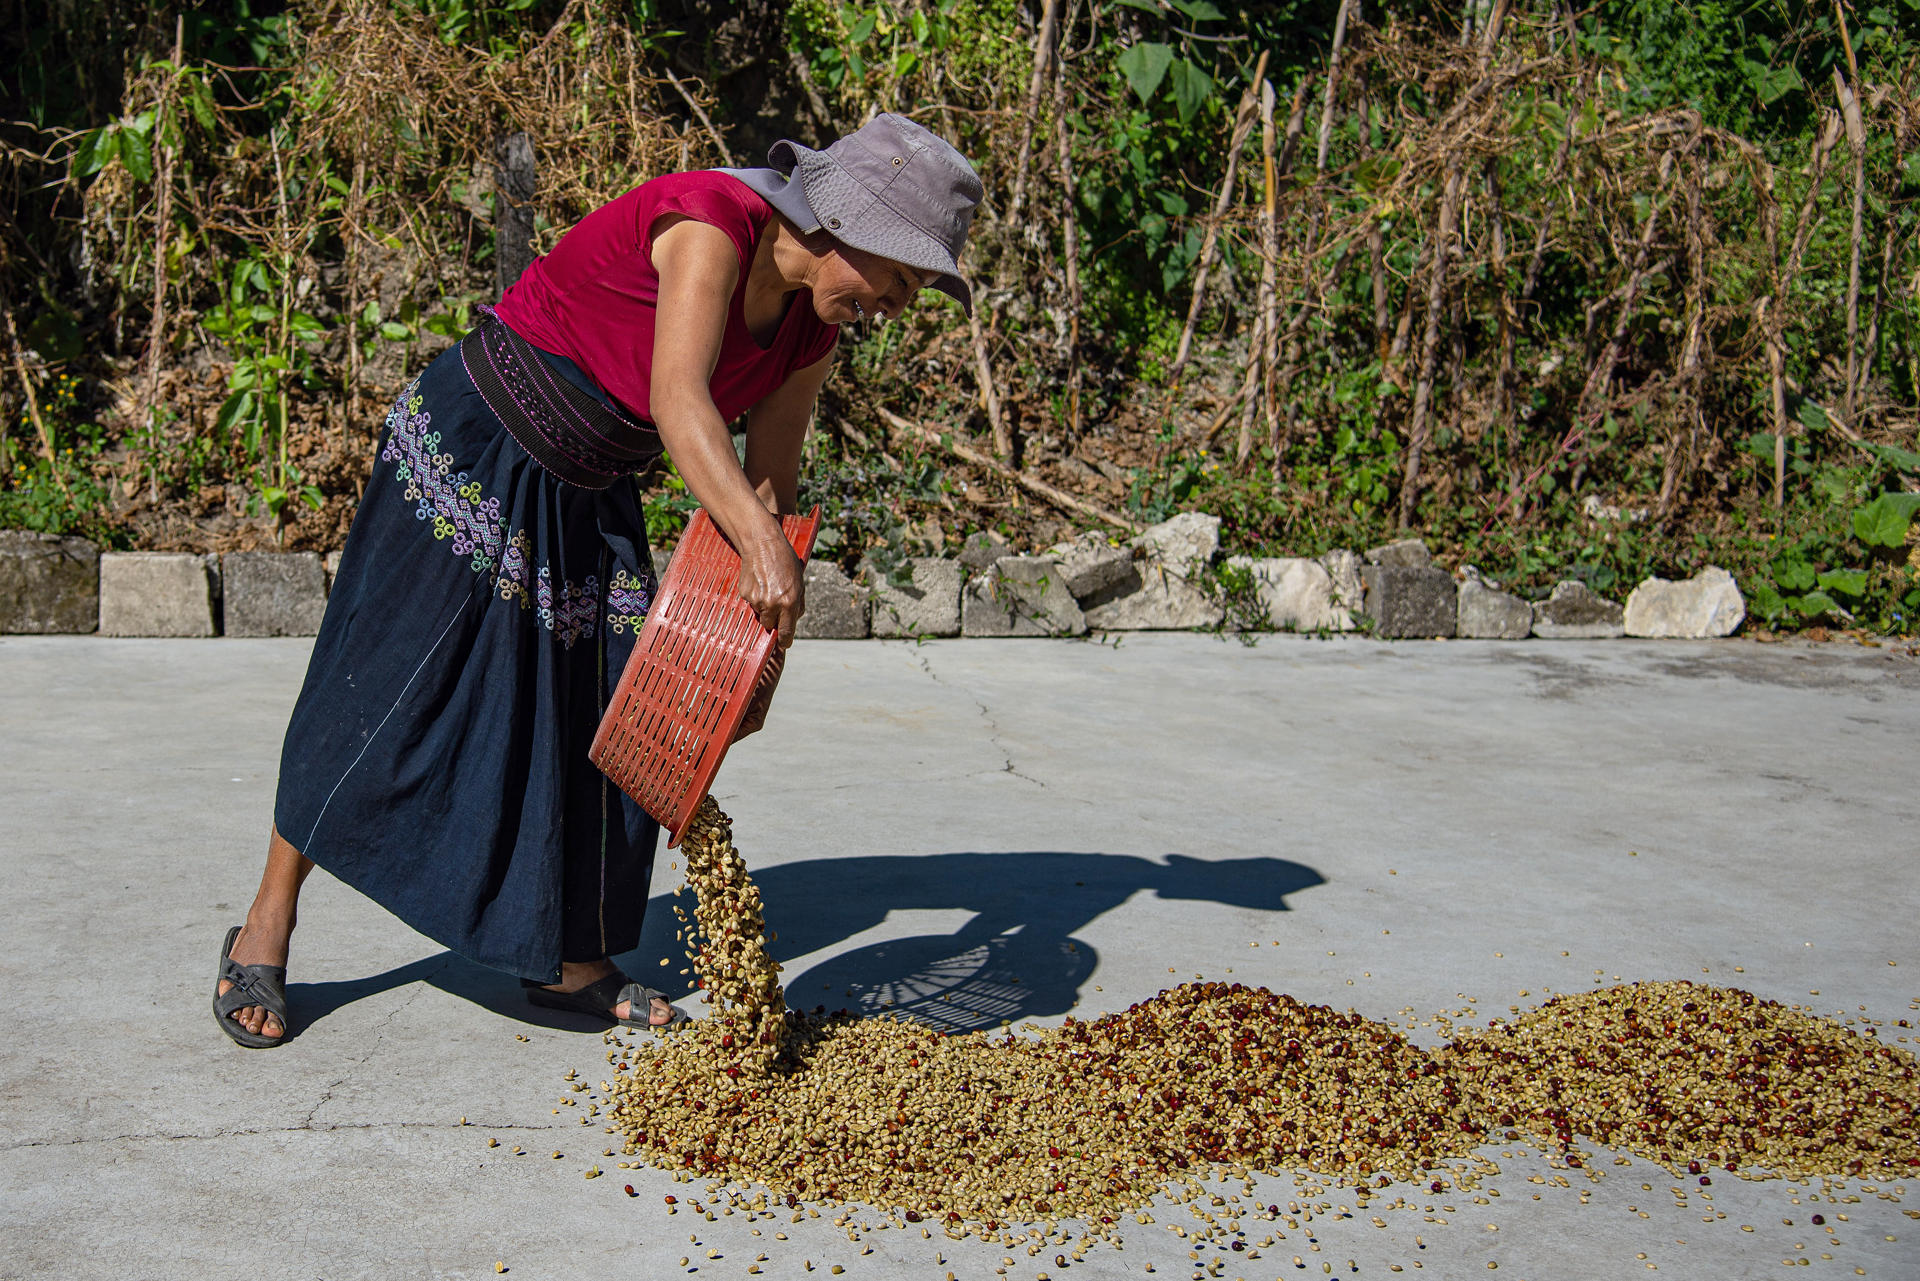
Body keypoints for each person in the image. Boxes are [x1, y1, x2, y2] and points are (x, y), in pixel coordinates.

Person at [213, 113, 983, 1047]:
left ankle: (568, 959)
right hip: (484, 440)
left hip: (588, 481)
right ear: (847, 223)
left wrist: (759, 646)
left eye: (912, 291)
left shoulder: (809, 338)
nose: (895, 304)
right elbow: (679, 400)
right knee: (381, 683)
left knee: (602, 718)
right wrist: (759, 545)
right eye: (897, 277)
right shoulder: (710, 222)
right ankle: (267, 921)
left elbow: (770, 486)